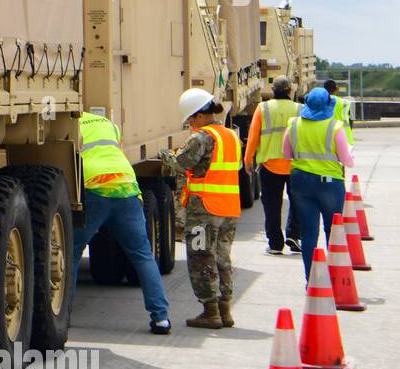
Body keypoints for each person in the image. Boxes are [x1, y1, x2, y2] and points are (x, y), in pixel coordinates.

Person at [74, 111, 171, 334]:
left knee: (73, 252)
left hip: (95, 187)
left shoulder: (70, 122)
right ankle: (161, 319)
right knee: (143, 256)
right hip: (126, 186)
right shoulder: (108, 123)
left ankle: (62, 314)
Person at [159, 89, 241, 329]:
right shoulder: (230, 136)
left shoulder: (202, 137)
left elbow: (180, 163)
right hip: (228, 208)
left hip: (204, 209)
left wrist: (165, 154)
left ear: (198, 115)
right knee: (222, 258)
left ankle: (210, 311)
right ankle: (225, 310)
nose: (191, 124)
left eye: (191, 119)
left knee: (200, 258)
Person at [284, 86, 354, 278]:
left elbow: (286, 153)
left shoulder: (294, 124)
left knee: (308, 233)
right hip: (330, 184)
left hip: (301, 182)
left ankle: (312, 280)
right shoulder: (335, 127)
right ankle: (334, 277)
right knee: (333, 232)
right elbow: (347, 160)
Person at [243, 76, 301, 256]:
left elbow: (253, 136)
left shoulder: (263, 108)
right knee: (297, 202)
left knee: (272, 206)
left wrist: (247, 160)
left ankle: (275, 244)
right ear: (290, 91)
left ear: (273, 90)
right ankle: (293, 235)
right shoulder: (300, 109)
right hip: (294, 164)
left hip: (270, 164)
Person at [323, 79, 355, 144]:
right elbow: (351, 121)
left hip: (328, 137)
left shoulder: (322, 102)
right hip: (345, 137)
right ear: (336, 89)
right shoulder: (346, 103)